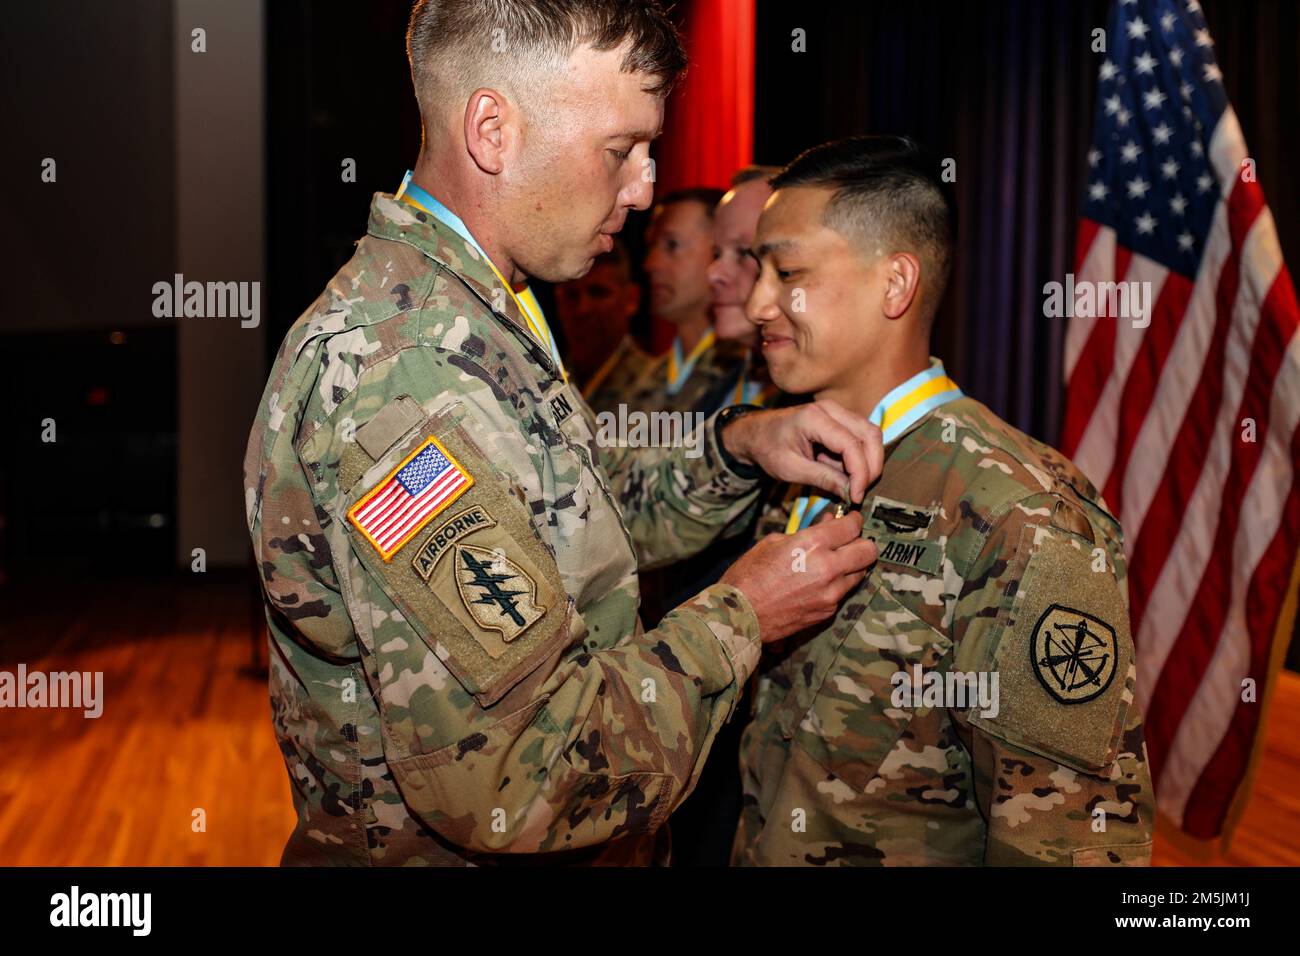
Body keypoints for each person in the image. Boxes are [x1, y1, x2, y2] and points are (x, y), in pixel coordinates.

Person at [244, 0, 882, 867]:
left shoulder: (476, 313)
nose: (645, 188)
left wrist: (733, 451)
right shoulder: (401, 371)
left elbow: (559, 520)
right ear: (493, 130)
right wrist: (745, 615)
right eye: (620, 151)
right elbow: (519, 777)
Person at [731, 136, 1154, 866]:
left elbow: (1066, 839)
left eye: (788, 271)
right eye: (756, 270)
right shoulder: (799, 465)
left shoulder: (1022, 510)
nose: (757, 302)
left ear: (896, 284)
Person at [623, 188, 746, 414]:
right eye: (651, 246)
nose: (651, 263)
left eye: (672, 245)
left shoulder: (748, 373)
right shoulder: (643, 381)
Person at [553, 237, 651, 415]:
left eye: (598, 293)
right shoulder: (545, 381)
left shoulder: (654, 385)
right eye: (571, 295)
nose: (582, 309)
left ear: (631, 299)